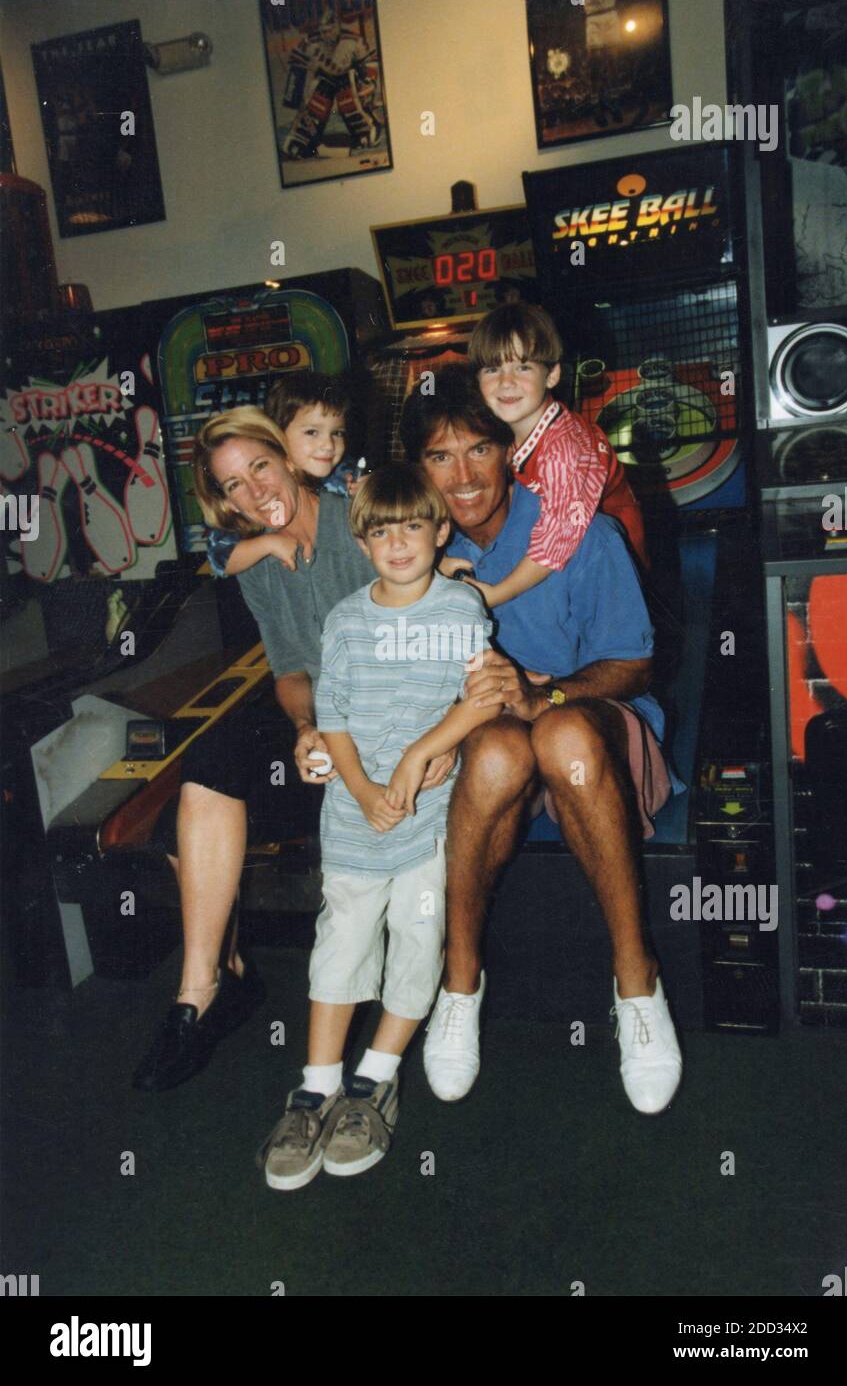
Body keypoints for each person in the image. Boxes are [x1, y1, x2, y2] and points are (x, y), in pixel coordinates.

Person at [133, 408, 453, 1092]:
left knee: (183, 825)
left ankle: (220, 988)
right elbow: (286, 670)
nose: (253, 492)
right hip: (321, 721)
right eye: (232, 485)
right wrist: (307, 726)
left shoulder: (354, 520)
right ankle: (200, 989)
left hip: (389, 720)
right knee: (209, 764)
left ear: (286, 456)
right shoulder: (258, 558)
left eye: (259, 467)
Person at [400, 365, 684, 1116]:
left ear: (510, 450)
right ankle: (460, 980)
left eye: (479, 451)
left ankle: (636, 980)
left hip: (600, 741)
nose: (462, 477)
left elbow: (634, 662)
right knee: (496, 749)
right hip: (496, 757)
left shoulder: (578, 527)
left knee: (558, 733)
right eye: (439, 456)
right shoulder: (417, 554)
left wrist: (542, 694)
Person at [255, 466, 494, 1190]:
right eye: (381, 531)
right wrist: (360, 789)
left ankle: (374, 1080)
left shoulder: (460, 610)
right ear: (361, 542)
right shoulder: (346, 621)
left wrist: (423, 754)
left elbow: (481, 698)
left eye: (413, 528)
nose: (398, 544)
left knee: (421, 936)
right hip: (356, 814)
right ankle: (316, 1087)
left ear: (440, 531)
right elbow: (332, 718)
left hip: (429, 813)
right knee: (345, 936)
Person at [441, 301, 645, 607]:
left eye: (523, 367)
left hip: (608, 552)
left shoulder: (564, 452)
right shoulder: (516, 424)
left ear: (551, 375)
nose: (506, 382)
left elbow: (555, 544)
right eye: (492, 368)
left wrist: (494, 594)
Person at [205, 373, 356, 580]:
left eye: (337, 433)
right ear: (279, 437)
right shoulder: (249, 543)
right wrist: (267, 544)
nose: (328, 445)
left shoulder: (347, 489)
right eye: (312, 432)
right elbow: (220, 558)